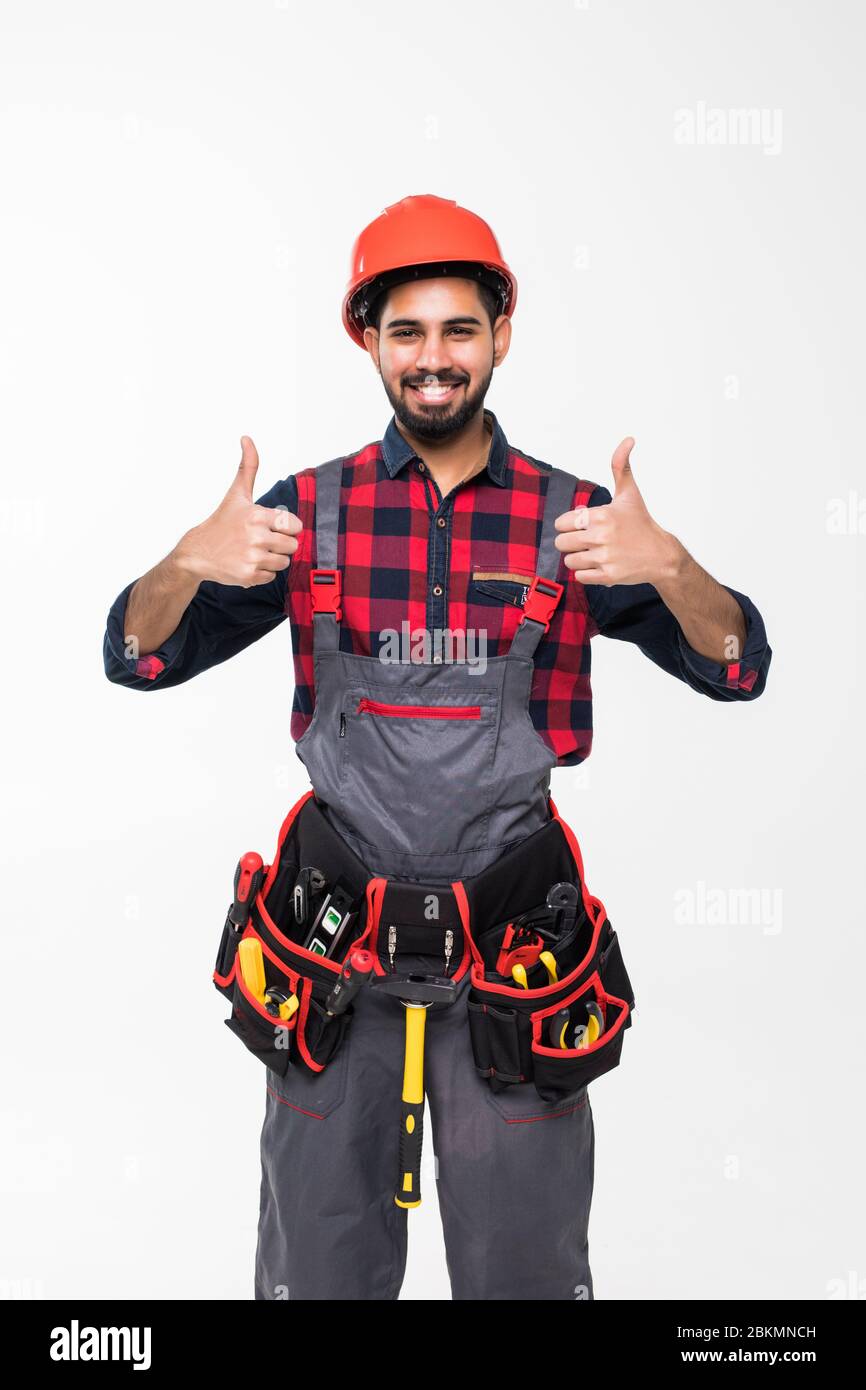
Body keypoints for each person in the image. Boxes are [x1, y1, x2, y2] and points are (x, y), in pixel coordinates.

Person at [103, 194, 772, 1301]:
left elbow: (737, 664)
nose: (433, 358)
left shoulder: (575, 523)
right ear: (368, 341)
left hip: (516, 961)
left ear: (499, 336)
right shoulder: (303, 515)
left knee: (522, 1272)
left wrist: (668, 565)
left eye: (458, 329)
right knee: (318, 1272)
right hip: (332, 959)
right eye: (405, 331)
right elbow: (136, 655)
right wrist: (186, 559)